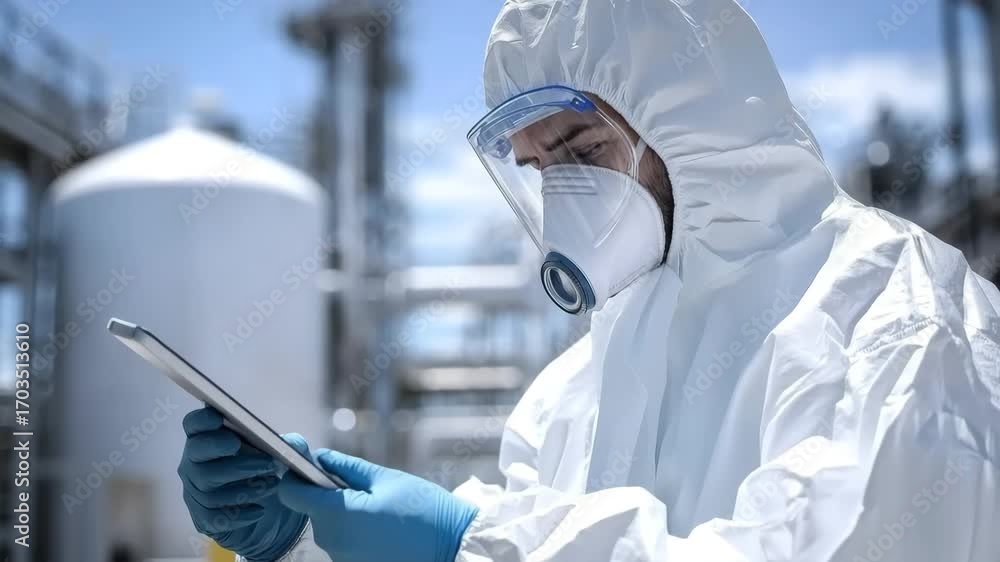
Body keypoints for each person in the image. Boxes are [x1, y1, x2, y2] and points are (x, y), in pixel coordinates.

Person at [177, 0, 1000, 560]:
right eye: (540, 169)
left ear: (690, 120)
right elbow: (531, 529)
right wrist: (307, 534)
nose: (563, 193)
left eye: (581, 152)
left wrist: (468, 544)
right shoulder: (579, 382)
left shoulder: (892, 307)